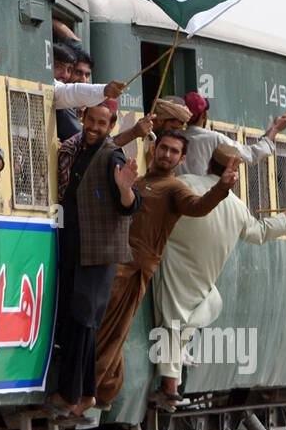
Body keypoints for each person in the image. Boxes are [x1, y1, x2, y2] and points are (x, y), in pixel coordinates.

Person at [150, 143, 286, 405]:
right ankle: (171, 387)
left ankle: (170, 386)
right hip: (204, 282)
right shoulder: (236, 206)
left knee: (173, 324)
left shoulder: (183, 183)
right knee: (191, 319)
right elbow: (259, 232)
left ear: (209, 163)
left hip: (173, 269)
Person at [93, 129, 238, 411]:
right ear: (154, 149)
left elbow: (198, 207)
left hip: (134, 267)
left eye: (174, 152)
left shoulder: (175, 188)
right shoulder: (143, 181)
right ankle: (105, 391)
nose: (166, 155)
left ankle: (91, 391)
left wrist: (222, 187)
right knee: (110, 329)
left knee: (110, 329)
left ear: (182, 158)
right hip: (116, 261)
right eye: (163, 148)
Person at [50, 99, 141, 416]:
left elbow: (129, 205)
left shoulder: (111, 155)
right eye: (91, 121)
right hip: (75, 246)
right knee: (80, 320)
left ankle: (69, 394)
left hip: (97, 252)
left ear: (110, 127)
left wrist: (125, 188)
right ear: (83, 117)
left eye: (102, 124)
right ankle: (86, 393)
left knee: (81, 320)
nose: (94, 128)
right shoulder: (74, 150)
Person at [175, 91, 286, 177]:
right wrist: (275, 130)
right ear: (204, 115)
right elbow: (251, 154)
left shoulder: (174, 138)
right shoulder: (214, 138)